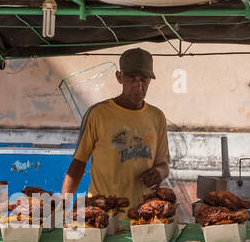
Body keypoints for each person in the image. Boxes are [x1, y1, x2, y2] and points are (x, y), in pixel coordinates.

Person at [60, 47, 170, 210]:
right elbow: (78, 163)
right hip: (103, 213)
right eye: (132, 78)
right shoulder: (98, 114)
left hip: (143, 214)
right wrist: (62, 206)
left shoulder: (157, 117)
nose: (139, 85)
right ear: (119, 77)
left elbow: (164, 163)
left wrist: (160, 172)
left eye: (144, 79)